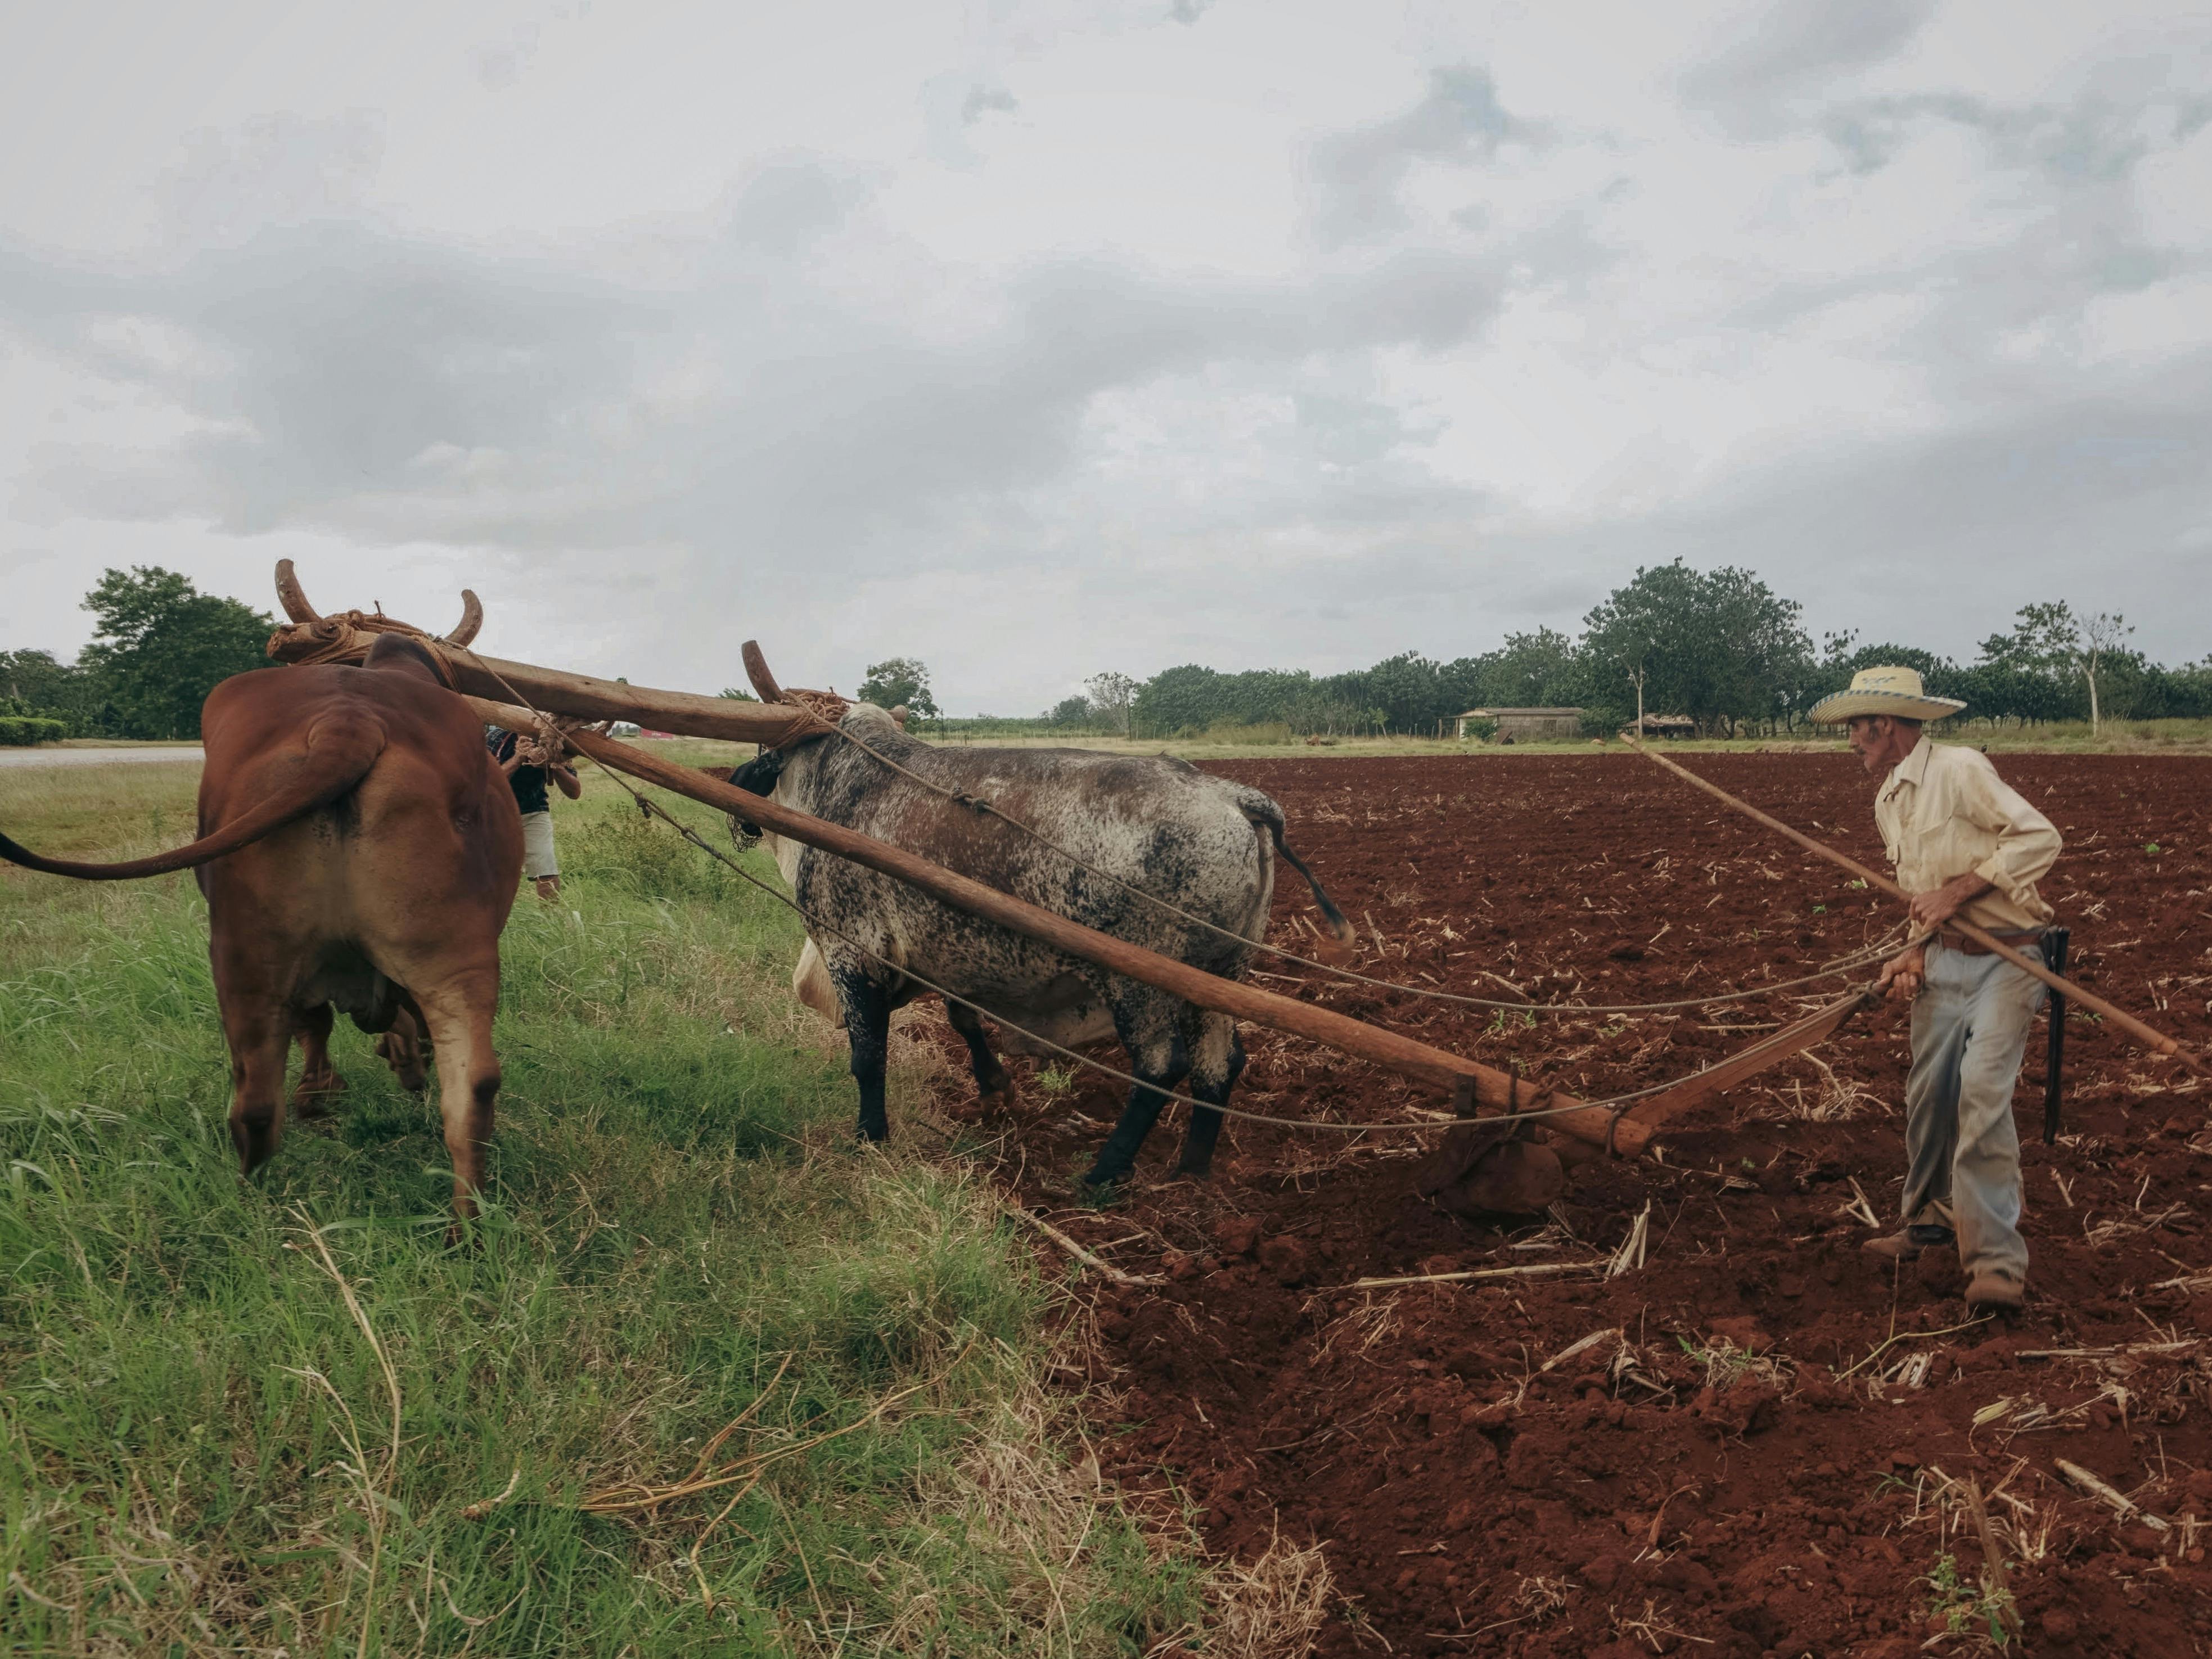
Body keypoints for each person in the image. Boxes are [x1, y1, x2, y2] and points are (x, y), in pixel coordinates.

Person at [1808, 666, 2062, 1312]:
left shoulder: (1960, 770)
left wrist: (1962, 889)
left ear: (1883, 726)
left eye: (1856, 731)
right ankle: (1926, 1225)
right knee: (1929, 1094)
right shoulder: (1889, 799)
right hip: (1944, 961)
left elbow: (2040, 837)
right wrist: (1913, 948)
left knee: (1981, 1092)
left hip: (2011, 960)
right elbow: (1923, 898)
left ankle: (1996, 1265)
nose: (1850, 744)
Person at [486, 725, 580, 900]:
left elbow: (574, 792)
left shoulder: (553, 740)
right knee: (488, 872)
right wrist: (518, 758)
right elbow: (487, 784)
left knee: (546, 869)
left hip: (533, 810)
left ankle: (553, 921)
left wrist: (553, 764)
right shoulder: (497, 738)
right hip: (493, 812)